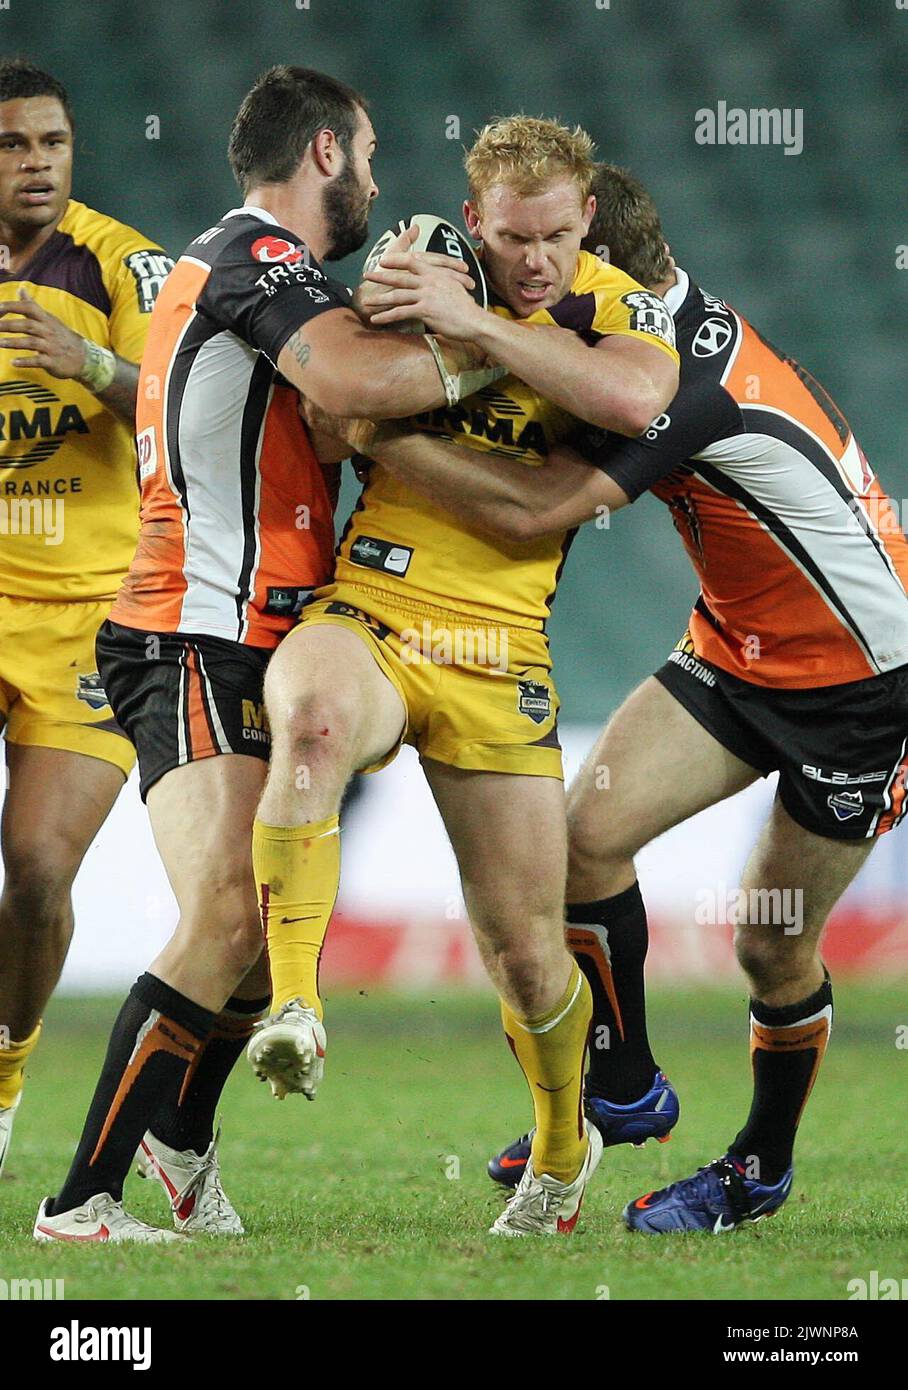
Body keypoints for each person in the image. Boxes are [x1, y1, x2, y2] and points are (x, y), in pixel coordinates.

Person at [349, 161, 908, 1233]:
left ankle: (758, 1168)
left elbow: (535, 510)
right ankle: (625, 1086)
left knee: (766, 941)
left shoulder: (676, 384)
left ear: (607, 267)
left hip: (860, 681)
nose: (542, 286)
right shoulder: (653, 331)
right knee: (581, 840)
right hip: (735, 654)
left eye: (562, 268)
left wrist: (390, 437)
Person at [33, 65, 501, 1245]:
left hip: (256, 633)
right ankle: (80, 1202)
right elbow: (350, 385)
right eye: (372, 154)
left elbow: (341, 411)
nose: (378, 180)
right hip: (190, 625)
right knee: (230, 920)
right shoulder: (251, 256)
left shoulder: (270, 282)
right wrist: (491, 347)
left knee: (254, 938)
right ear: (327, 154)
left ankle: (179, 1145)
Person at [248, 116, 678, 1237]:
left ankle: (557, 1145)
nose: (531, 259)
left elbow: (627, 403)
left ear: (585, 217)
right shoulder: (422, 271)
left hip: (500, 651)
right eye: (508, 237)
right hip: (374, 603)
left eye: (551, 235)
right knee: (310, 720)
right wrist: (428, 313)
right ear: (475, 217)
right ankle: (295, 998)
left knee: (526, 954)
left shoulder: (621, 310)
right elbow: (331, 415)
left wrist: (467, 329)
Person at [0, 59, 173, 1178]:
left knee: (35, 869)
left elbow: (175, 401)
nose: (38, 163)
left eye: (53, 143)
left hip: (85, 614)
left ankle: (6, 1070)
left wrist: (94, 362)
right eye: (15, 145)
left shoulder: (120, 261)